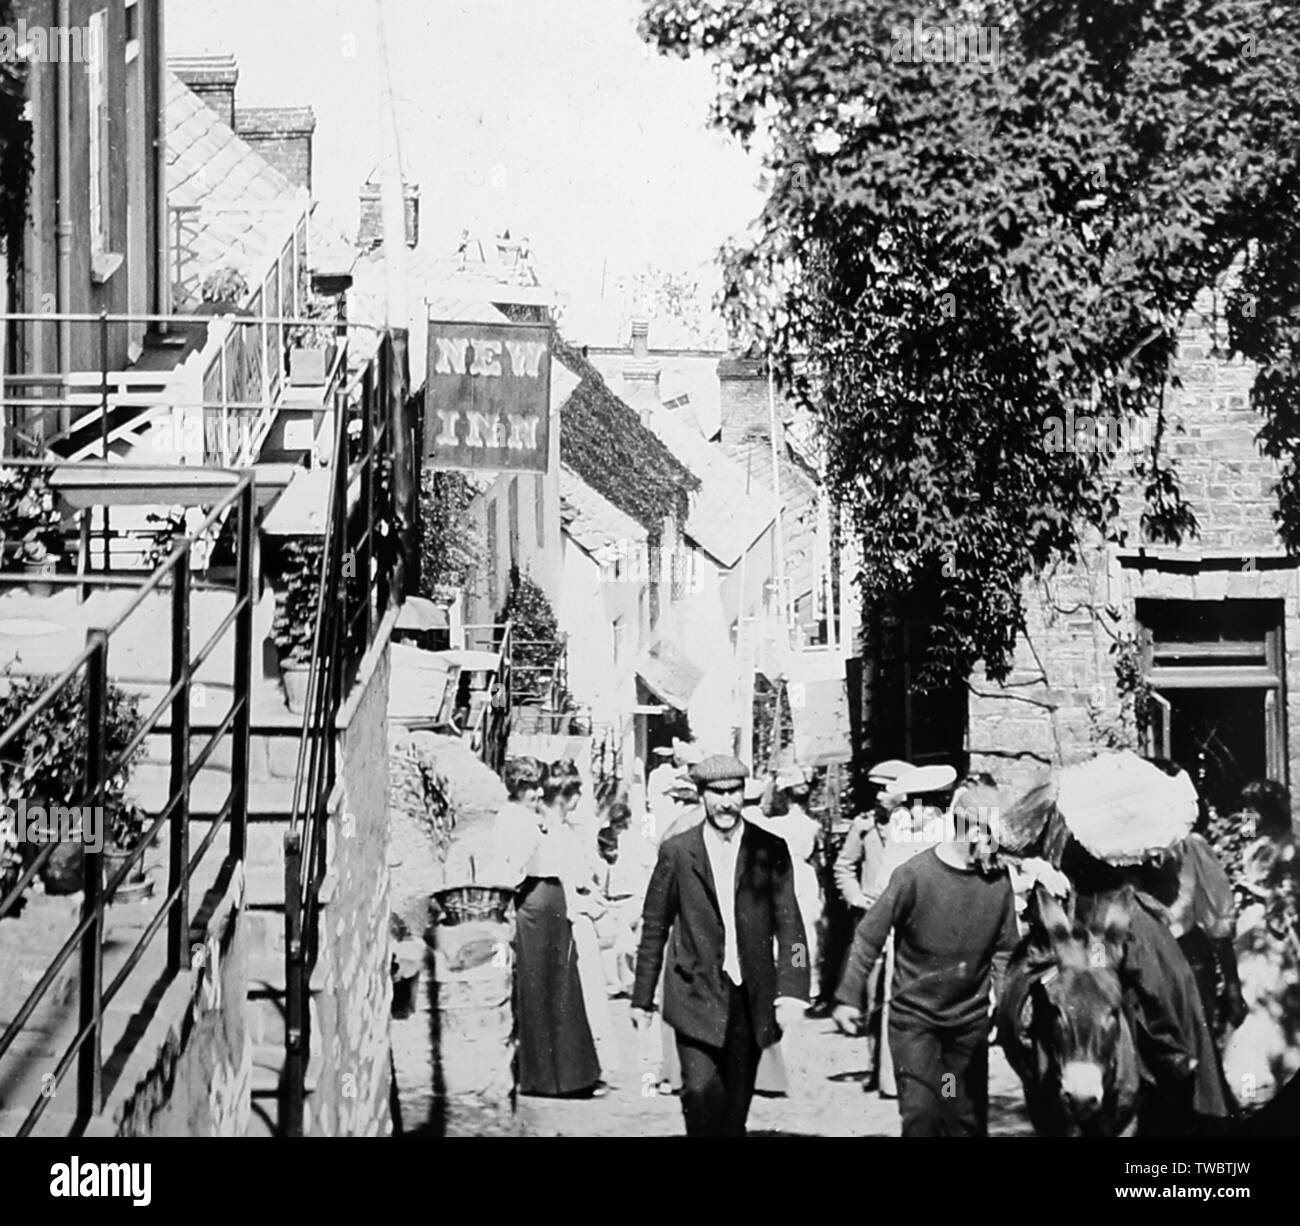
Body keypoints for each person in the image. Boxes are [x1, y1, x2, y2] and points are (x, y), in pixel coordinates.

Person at [632, 754, 810, 1136]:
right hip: (693, 991)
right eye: (717, 793)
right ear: (701, 795)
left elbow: (791, 927)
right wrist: (641, 997)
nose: (726, 802)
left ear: (744, 794)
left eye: (734, 792)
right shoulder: (678, 852)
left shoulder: (770, 849)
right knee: (697, 1092)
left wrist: (793, 990)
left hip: (749, 998)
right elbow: (654, 926)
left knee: (735, 1105)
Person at [833, 771, 1020, 1136]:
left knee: (960, 1115)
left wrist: (1002, 999)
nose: (993, 845)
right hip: (915, 1025)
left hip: (966, 1028)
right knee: (923, 1117)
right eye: (987, 835)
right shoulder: (914, 876)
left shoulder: (997, 884)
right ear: (963, 827)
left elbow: (1006, 949)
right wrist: (848, 997)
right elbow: (869, 937)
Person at [490, 758, 602, 1098]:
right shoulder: (512, 819)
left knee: (561, 985)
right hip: (536, 902)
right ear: (518, 788)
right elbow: (511, 868)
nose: (539, 792)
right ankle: (547, 1079)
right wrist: (536, 840)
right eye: (532, 787)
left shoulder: (528, 817)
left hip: (549, 900)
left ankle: (570, 1075)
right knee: (543, 988)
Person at [834, 760, 912, 1089]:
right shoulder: (864, 825)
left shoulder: (920, 824)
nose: (880, 795)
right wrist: (856, 897)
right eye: (877, 788)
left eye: (887, 788)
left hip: (908, 920)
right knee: (873, 994)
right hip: (872, 919)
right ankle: (876, 1066)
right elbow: (844, 866)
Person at [548, 759, 619, 1086]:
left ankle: (590, 1067)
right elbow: (565, 886)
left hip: (581, 917)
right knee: (584, 996)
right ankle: (584, 1068)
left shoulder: (562, 831)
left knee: (590, 995)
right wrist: (589, 902)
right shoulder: (554, 834)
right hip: (574, 922)